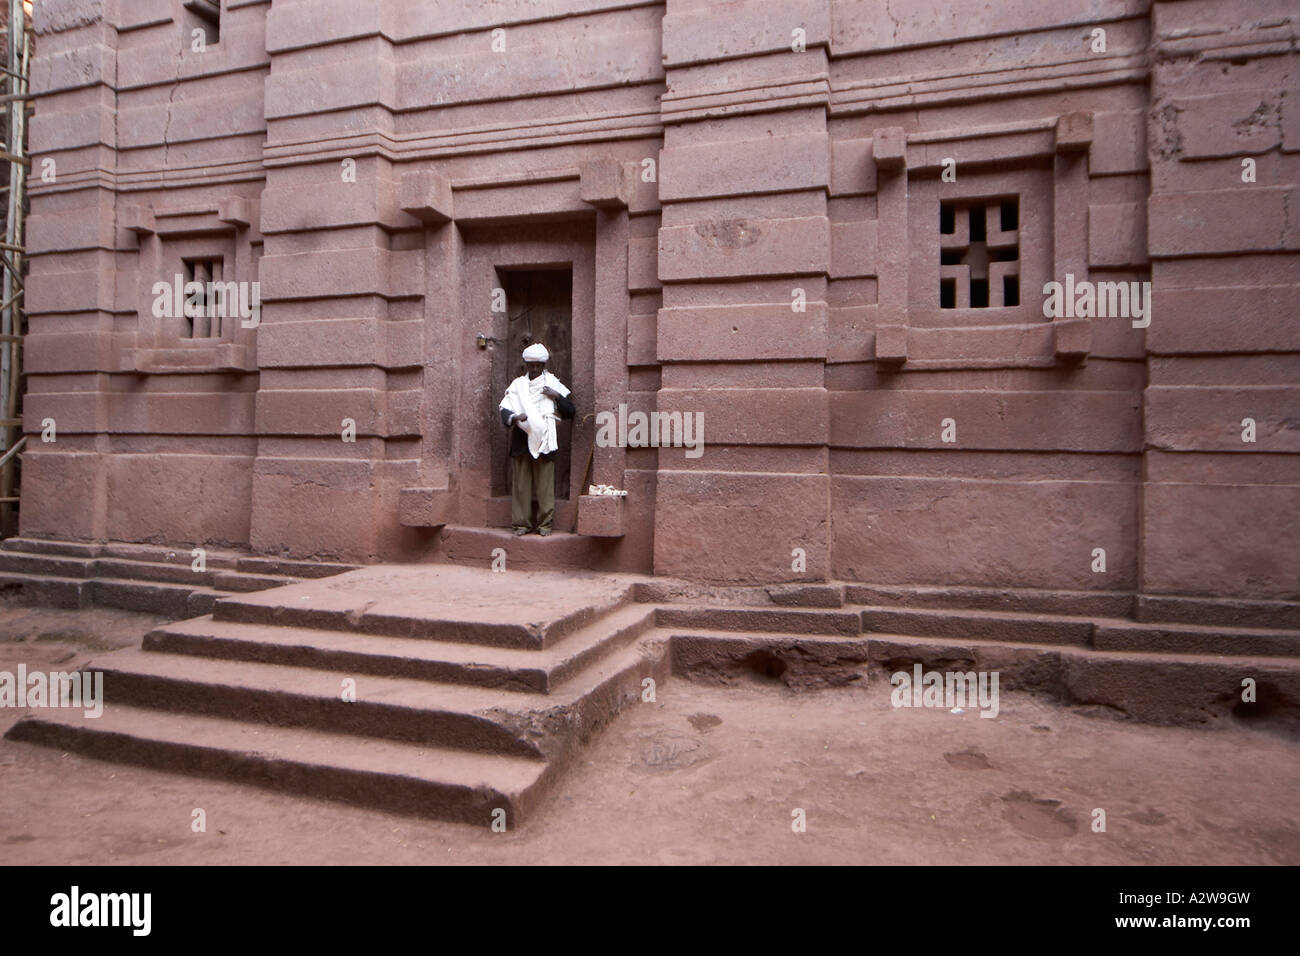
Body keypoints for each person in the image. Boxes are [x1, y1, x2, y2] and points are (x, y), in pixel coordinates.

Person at [498, 343, 575, 535]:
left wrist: (556, 396)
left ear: (543, 365)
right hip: (521, 439)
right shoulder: (518, 385)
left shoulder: (552, 383)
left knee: (544, 486)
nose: (534, 369)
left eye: (538, 365)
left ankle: (544, 525)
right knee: (521, 486)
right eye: (531, 365)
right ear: (526, 365)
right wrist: (515, 418)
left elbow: (570, 411)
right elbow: (505, 408)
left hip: (546, 441)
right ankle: (521, 524)